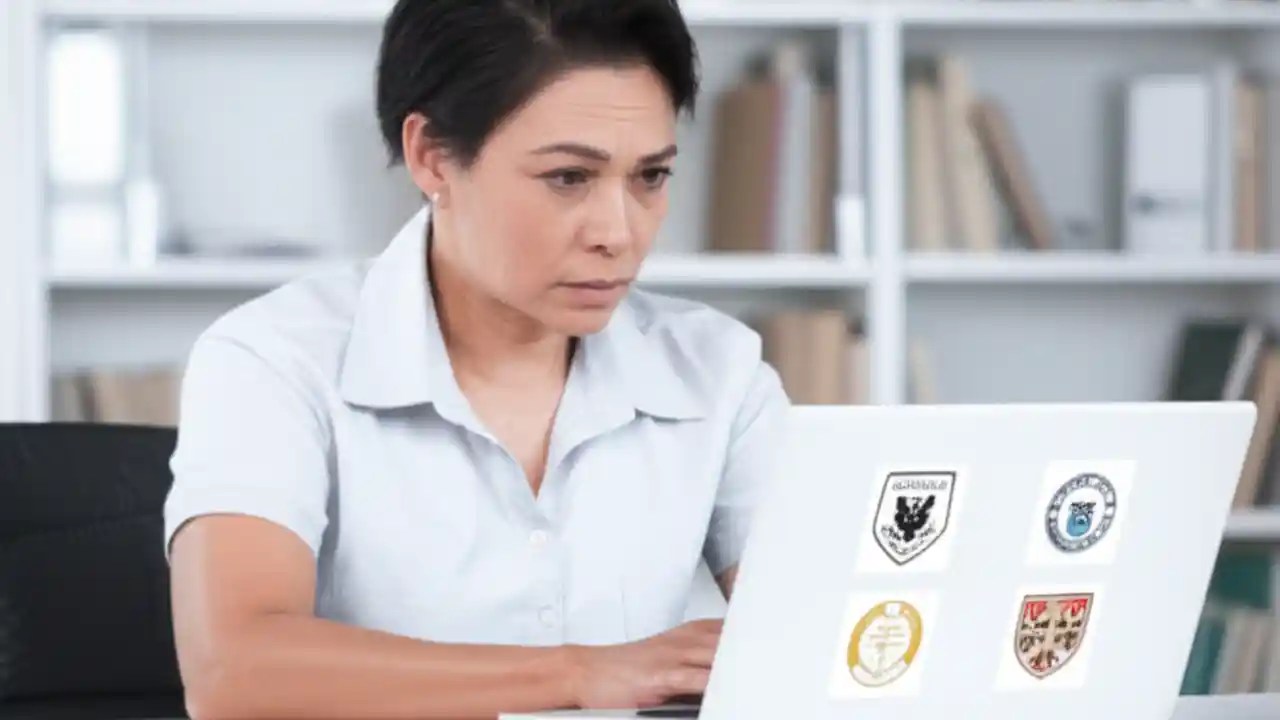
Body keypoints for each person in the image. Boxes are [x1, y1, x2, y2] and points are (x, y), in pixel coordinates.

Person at [163, 1, 788, 718]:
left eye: (650, 177)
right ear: (433, 157)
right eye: (568, 178)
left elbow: (830, 636)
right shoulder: (273, 359)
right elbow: (235, 671)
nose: (619, 233)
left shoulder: (720, 370)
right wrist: (584, 676)